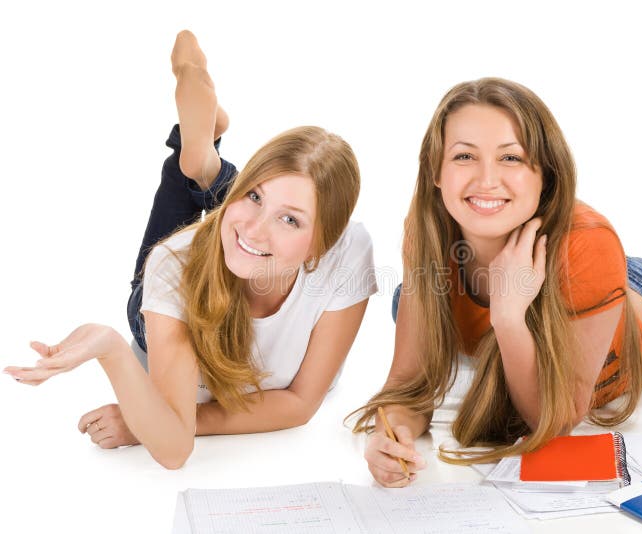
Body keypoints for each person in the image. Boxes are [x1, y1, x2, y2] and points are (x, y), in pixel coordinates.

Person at [352, 77, 642, 487]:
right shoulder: (427, 230)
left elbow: (550, 421)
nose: (486, 179)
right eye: (464, 156)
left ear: (546, 175)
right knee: (405, 299)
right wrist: (390, 436)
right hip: (577, 283)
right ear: (435, 171)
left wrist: (508, 314)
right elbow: (408, 385)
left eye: (511, 157)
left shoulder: (588, 245)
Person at [3, 31, 377, 469]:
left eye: (291, 219)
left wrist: (143, 420)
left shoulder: (347, 251)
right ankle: (198, 150)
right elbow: (175, 450)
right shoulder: (173, 267)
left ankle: (202, 160)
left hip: (228, 246)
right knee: (205, 240)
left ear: (324, 243)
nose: (257, 228)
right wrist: (112, 348)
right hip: (174, 291)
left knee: (238, 230)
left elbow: (298, 403)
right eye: (253, 194)